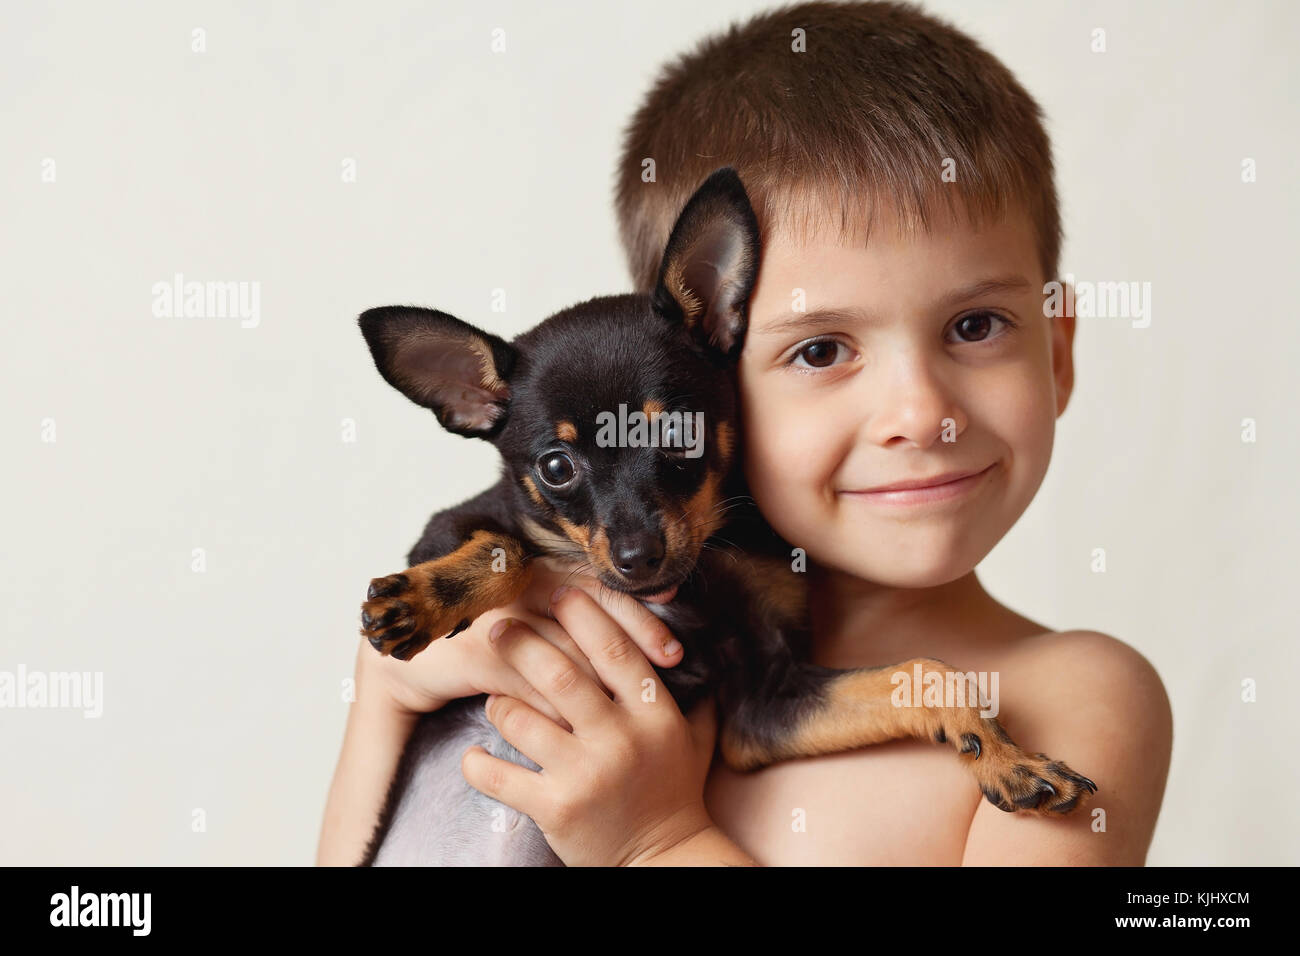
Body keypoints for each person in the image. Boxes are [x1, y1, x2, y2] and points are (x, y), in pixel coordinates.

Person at [317, 0, 1172, 866]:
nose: (920, 413)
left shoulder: (1076, 695)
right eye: (822, 348)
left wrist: (656, 843)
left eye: (977, 326)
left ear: (1059, 352)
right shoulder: (648, 606)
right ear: (724, 376)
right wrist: (382, 694)